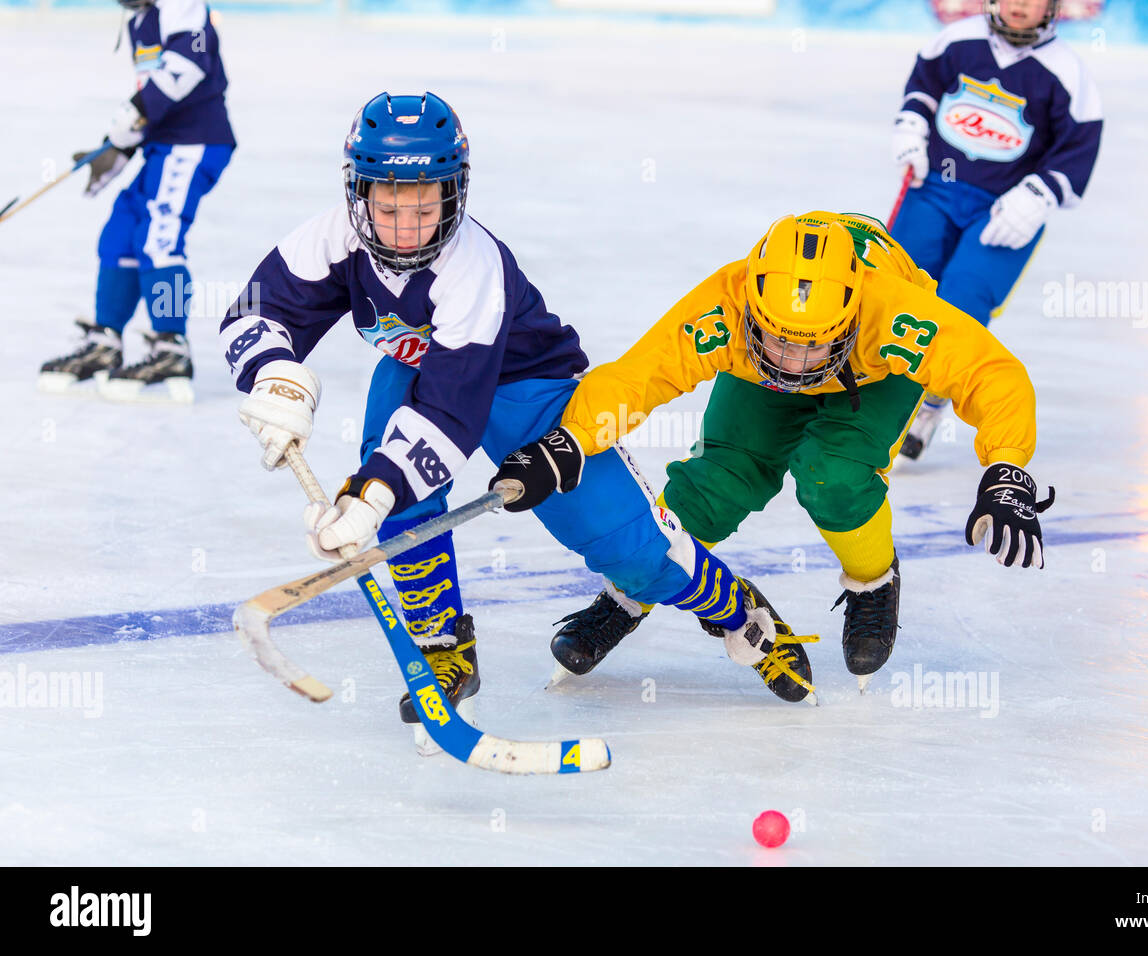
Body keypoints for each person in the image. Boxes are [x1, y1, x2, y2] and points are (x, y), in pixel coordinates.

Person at [219, 93, 821, 743]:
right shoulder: (331, 236)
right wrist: (274, 378)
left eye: (425, 208)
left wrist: (368, 491)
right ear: (357, 191)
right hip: (418, 368)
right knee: (400, 498)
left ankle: (740, 613)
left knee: (636, 553)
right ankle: (444, 646)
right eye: (388, 208)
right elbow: (255, 311)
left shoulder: (473, 267)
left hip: (528, 389)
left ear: (455, 193)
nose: (404, 229)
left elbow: (451, 411)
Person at [492, 211, 1054, 691]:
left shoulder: (893, 313)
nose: (792, 365)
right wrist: (568, 441)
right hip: (782, 367)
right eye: (778, 340)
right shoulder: (726, 304)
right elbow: (638, 377)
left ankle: (874, 580)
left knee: (833, 475)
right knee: (715, 482)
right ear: (751, 310)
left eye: (812, 346)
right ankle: (632, 589)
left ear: (852, 317)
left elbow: (990, 372)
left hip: (869, 378)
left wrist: (1005, 467)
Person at [890, 0, 1101, 458]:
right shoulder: (957, 40)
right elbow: (923, 88)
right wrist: (910, 124)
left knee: (962, 304)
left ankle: (929, 401)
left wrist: (1040, 194)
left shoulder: (1067, 71)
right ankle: (871, 395)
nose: (1021, 4)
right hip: (936, 188)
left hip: (1005, 208)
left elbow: (1077, 148)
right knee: (897, 288)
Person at [39, 0, 235, 403]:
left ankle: (170, 347)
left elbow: (182, 73)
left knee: (158, 237)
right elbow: (152, 101)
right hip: (163, 146)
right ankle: (106, 338)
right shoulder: (140, 21)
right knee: (121, 233)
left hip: (195, 143)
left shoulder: (182, 6)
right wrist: (115, 151)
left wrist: (126, 126)